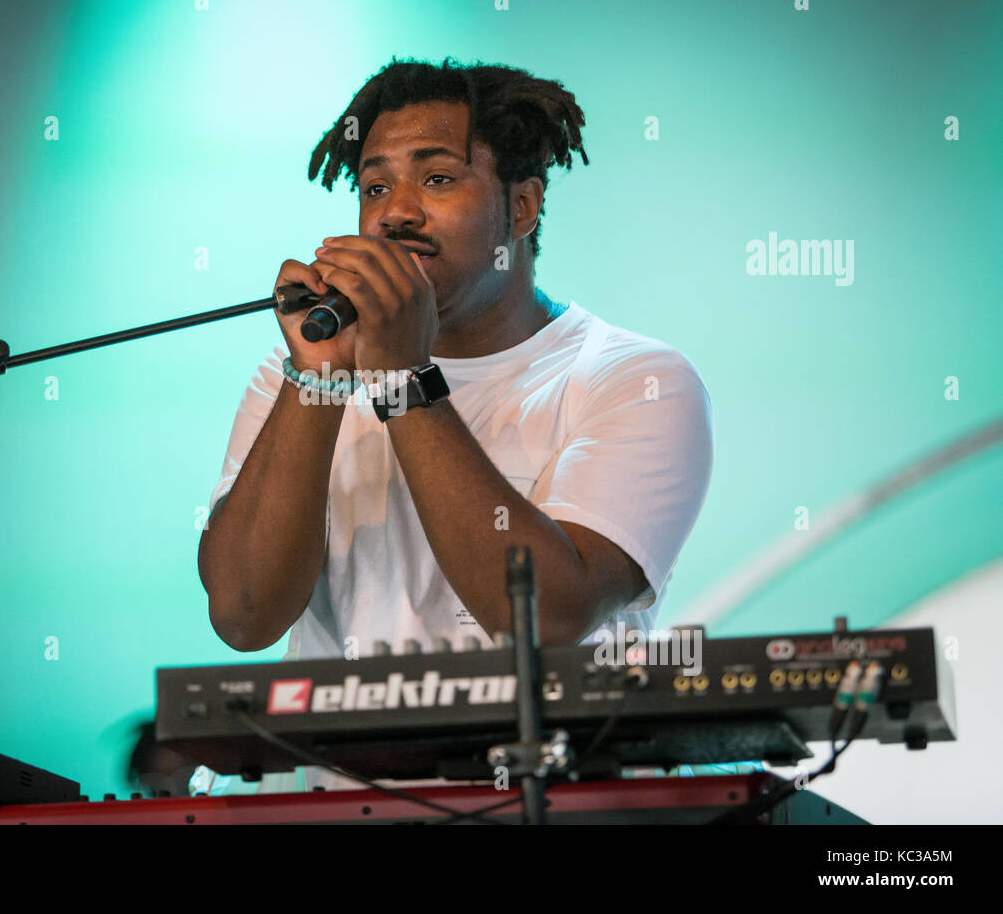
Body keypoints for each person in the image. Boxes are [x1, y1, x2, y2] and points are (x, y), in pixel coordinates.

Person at [193, 57, 715, 795]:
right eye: (374, 187)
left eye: (436, 179)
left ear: (523, 208)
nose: (395, 213)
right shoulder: (301, 374)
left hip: (549, 803)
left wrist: (404, 379)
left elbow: (545, 615)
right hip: (333, 805)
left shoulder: (633, 378)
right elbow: (244, 616)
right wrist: (316, 379)